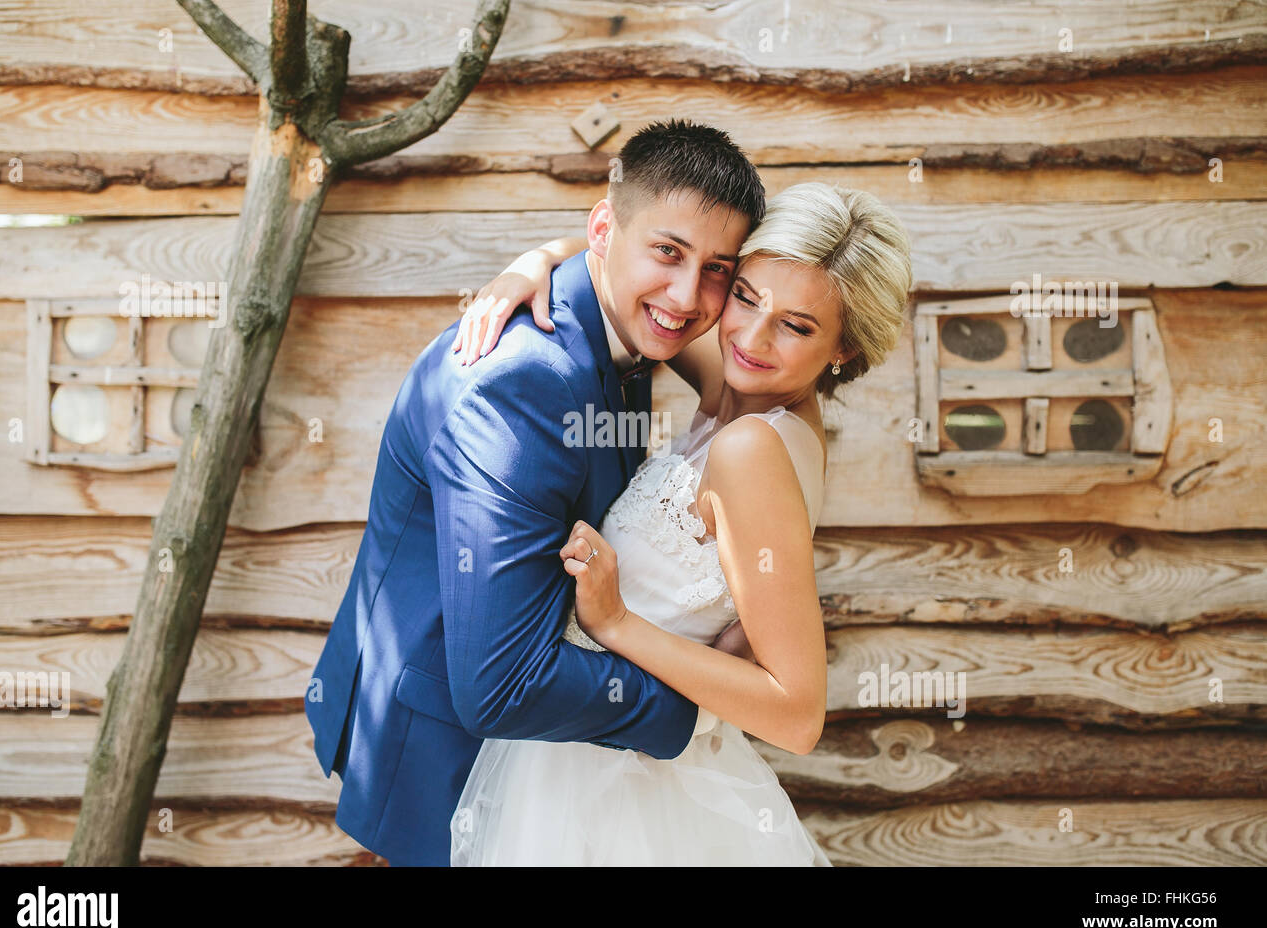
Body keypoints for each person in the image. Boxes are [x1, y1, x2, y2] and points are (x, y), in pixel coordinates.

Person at [303, 119, 766, 866]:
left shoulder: (636, 324)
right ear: (605, 230)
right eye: (668, 252)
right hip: (447, 741)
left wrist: (545, 254)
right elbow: (501, 685)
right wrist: (706, 703)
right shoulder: (524, 382)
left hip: (544, 742)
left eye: (717, 268)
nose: (688, 296)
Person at [448, 181, 912, 864]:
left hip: (634, 792)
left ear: (843, 349)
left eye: (798, 326)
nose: (752, 335)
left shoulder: (752, 447)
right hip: (591, 750)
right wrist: (535, 261)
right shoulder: (739, 387)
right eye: (748, 295)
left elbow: (797, 713)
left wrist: (615, 625)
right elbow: (634, 264)